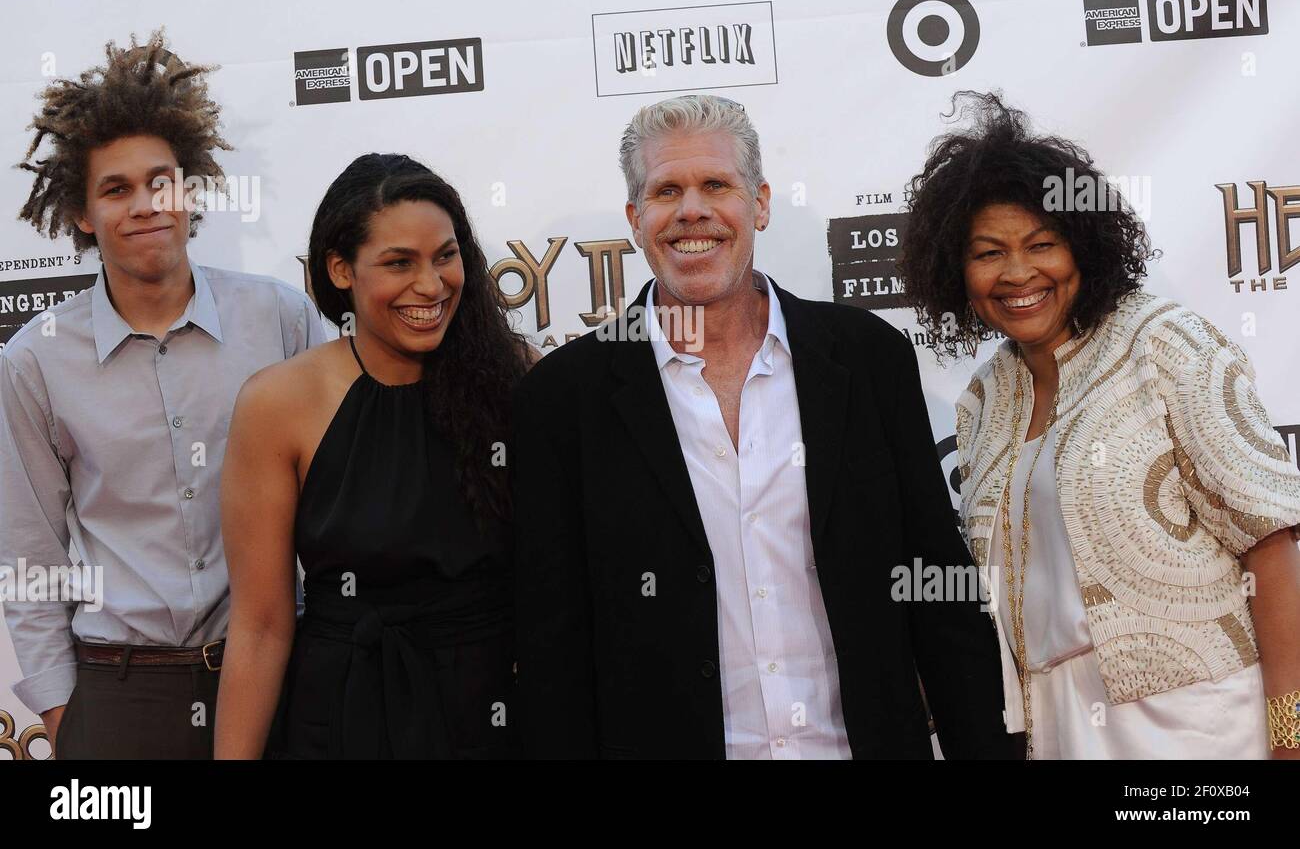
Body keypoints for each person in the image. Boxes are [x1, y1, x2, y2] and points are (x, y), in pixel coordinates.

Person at [512, 94, 1012, 759]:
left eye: (716, 184)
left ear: (761, 203)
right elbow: (554, 651)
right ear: (637, 219)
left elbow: (937, 592)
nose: (693, 210)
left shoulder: (865, 360)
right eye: (667, 191)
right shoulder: (562, 399)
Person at [899, 90, 1300, 759]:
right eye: (988, 252)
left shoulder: (1164, 344)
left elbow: (1271, 547)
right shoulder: (985, 399)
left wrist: (1291, 733)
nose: (1018, 272)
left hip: (1199, 721)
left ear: (1083, 246)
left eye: (1042, 244)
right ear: (956, 271)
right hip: (1055, 725)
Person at [0, 30, 324, 759]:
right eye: (116, 189)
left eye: (161, 181)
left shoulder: (278, 317)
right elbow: (29, 553)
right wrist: (64, 718)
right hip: (120, 696)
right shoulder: (33, 362)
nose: (145, 204)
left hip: (284, 672)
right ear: (81, 215)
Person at [214, 154, 533, 759]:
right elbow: (259, 626)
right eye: (398, 263)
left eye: (445, 255)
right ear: (340, 270)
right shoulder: (277, 403)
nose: (432, 286)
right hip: (344, 716)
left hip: (493, 715)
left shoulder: (511, 380)